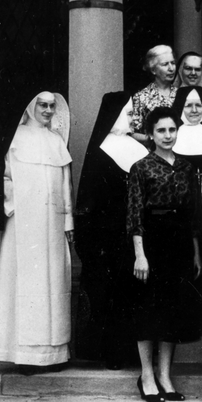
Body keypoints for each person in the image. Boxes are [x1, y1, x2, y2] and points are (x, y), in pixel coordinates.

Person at [0, 91, 74, 376]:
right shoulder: (16, 137)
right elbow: (4, 177)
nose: (48, 110)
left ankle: (54, 353)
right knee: (26, 284)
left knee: (53, 282)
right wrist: (14, 205)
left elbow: (65, 184)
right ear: (30, 107)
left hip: (52, 225)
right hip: (23, 224)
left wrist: (68, 221)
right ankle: (25, 355)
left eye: (52, 106)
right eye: (42, 105)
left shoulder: (56, 140)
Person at [127, 107, 202, 402]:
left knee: (173, 311)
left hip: (181, 243)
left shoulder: (186, 167)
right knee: (149, 309)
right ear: (150, 134)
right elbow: (135, 214)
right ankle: (146, 376)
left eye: (172, 130)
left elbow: (193, 215)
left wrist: (196, 253)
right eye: (161, 130)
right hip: (152, 242)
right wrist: (140, 255)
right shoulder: (141, 167)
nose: (167, 135)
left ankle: (164, 376)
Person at [75, 92, 148, 370]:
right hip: (108, 237)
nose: (132, 118)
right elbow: (89, 201)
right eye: (128, 114)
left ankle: (135, 354)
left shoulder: (139, 149)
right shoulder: (100, 151)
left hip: (136, 235)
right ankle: (112, 353)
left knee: (135, 293)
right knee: (110, 294)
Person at [170, 86, 202, 177]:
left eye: (198, 105)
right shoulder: (171, 136)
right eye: (188, 105)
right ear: (181, 107)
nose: (194, 110)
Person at [132, 45, 178, 142]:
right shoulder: (141, 96)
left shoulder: (181, 93)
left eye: (173, 63)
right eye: (165, 64)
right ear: (153, 70)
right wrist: (152, 139)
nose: (171, 68)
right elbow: (132, 132)